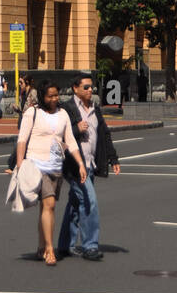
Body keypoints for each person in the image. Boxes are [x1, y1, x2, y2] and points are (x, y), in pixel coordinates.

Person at [16, 80, 85, 266]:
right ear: (42, 97)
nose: (54, 99)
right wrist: (20, 164)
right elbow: (22, 139)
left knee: (45, 208)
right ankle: (49, 249)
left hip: (56, 167)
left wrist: (80, 163)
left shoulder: (62, 114)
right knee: (50, 204)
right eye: (50, 96)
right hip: (37, 165)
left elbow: (70, 140)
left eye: (56, 95)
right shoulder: (33, 112)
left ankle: (40, 246)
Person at [57, 72, 120, 262]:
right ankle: (90, 246)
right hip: (75, 165)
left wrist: (113, 158)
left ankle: (64, 245)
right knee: (89, 201)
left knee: (76, 204)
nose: (90, 90)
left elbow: (104, 133)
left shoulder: (94, 108)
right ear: (75, 89)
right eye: (86, 87)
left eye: (91, 87)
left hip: (90, 163)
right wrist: (77, 129)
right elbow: (59, 135)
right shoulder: (67, 109)